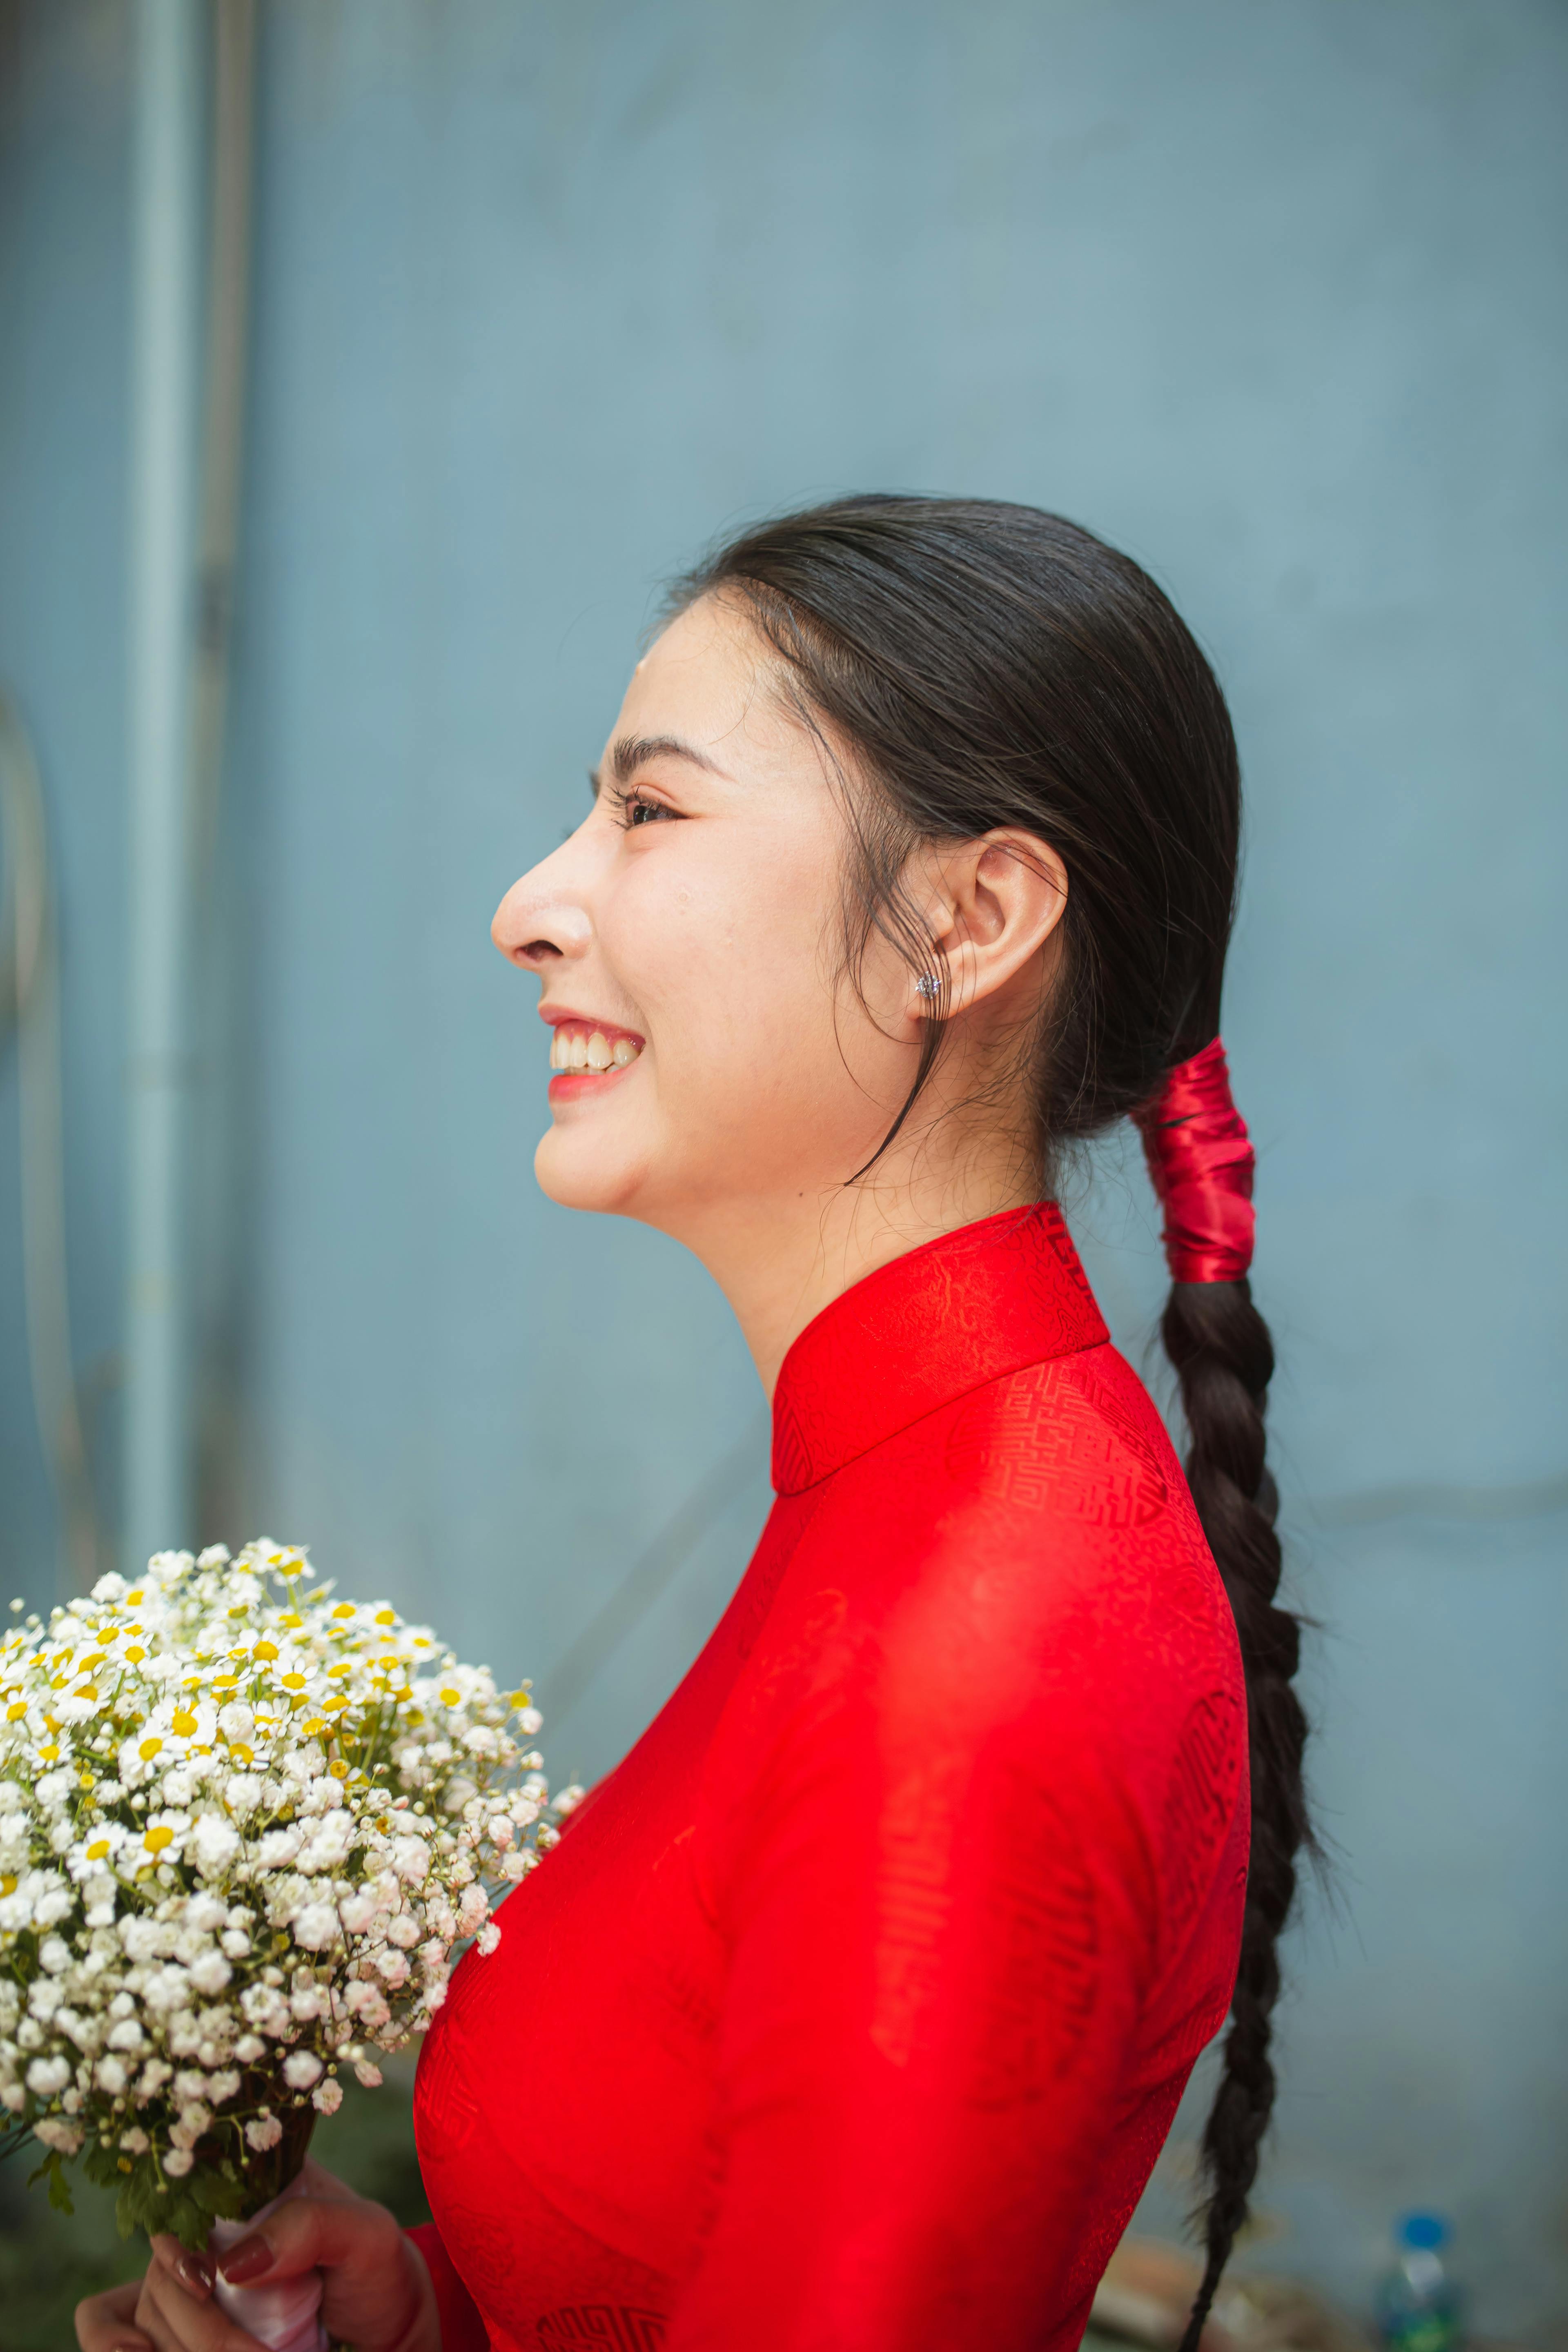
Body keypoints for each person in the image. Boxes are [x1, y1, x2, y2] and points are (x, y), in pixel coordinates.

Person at [78, 497, 1310, 2352]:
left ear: (967, 921)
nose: (530, 905)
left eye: (649, 812)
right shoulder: (924, 1491)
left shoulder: (973, 1653)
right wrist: (427, 2317)